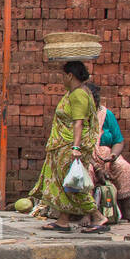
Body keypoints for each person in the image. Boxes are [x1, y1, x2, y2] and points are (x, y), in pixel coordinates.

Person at [28, 61, 110, 233]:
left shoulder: (78, 95)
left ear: (70, 76)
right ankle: (63, 220)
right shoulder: (74, 93)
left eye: (63, 76)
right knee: (65, 182)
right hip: (64, 145)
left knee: (73, 184)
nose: (62, 79)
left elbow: (78, 123)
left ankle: (98, 216)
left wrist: (76, 148)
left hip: (70, 145)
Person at [85, 82, 130, 223]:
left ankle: (128, 210)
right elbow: (76, 144)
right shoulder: (78, 116)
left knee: (124, 167)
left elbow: (118, 141)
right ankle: (86, 212)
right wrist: (96, 166)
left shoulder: (106, 114)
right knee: (87, 171)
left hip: (107, 157)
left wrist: (113, 156)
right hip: (86, 157)